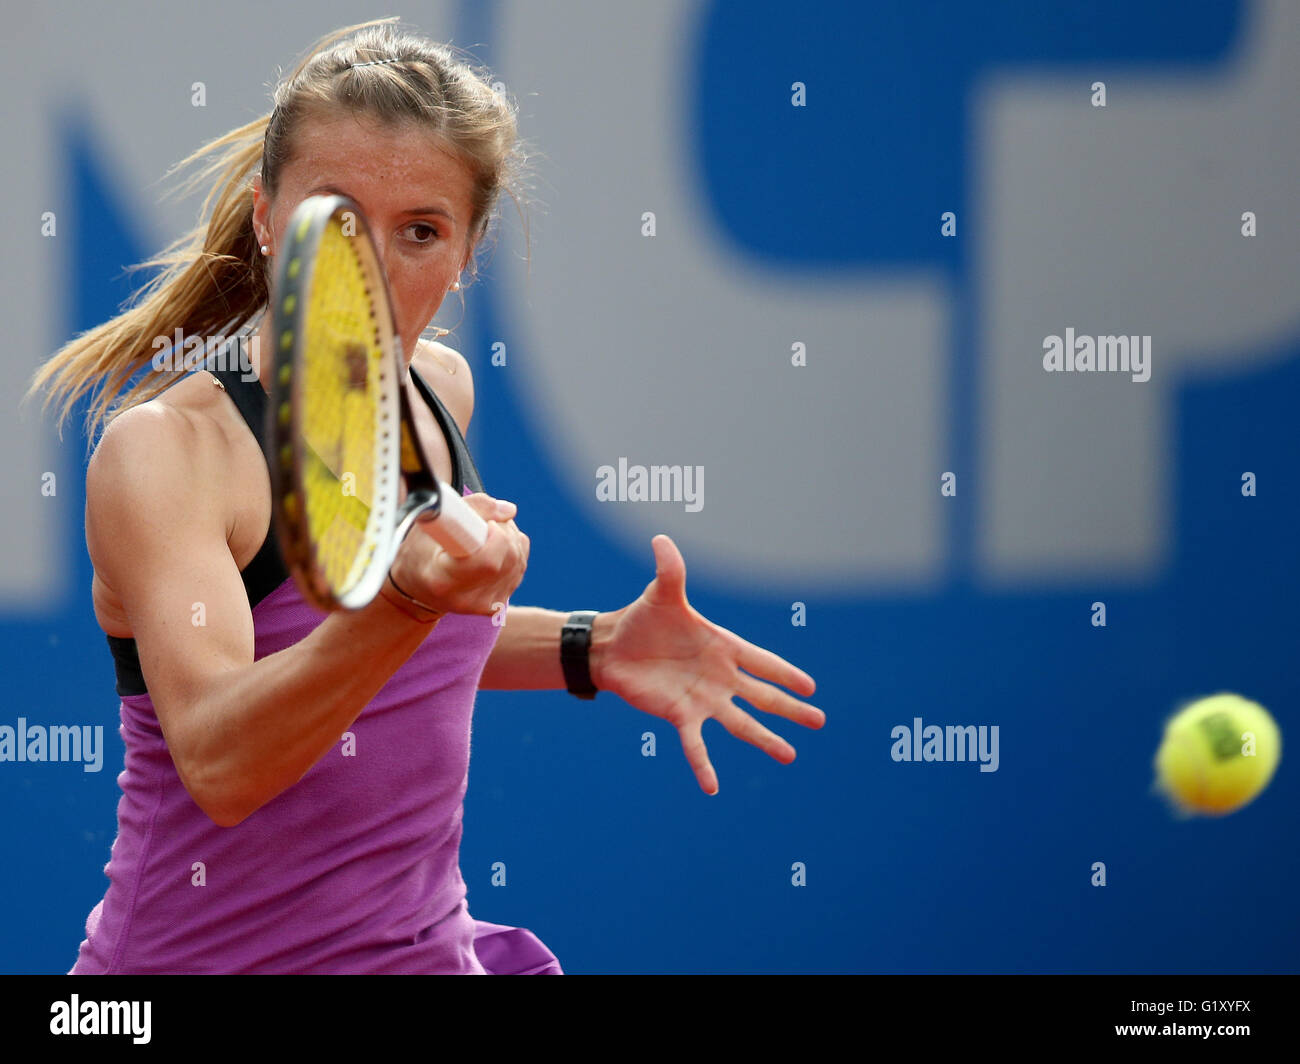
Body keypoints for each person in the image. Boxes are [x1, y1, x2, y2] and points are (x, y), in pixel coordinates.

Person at [27, 18, 824, 974]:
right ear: (266, 220)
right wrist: (406, 604)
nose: (370, 269)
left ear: (468, 252)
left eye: (420, 232)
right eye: (337, 220)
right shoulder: (167, 455)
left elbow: (381, 658)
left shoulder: (439, 392)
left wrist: (590, 644)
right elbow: (222, 761)